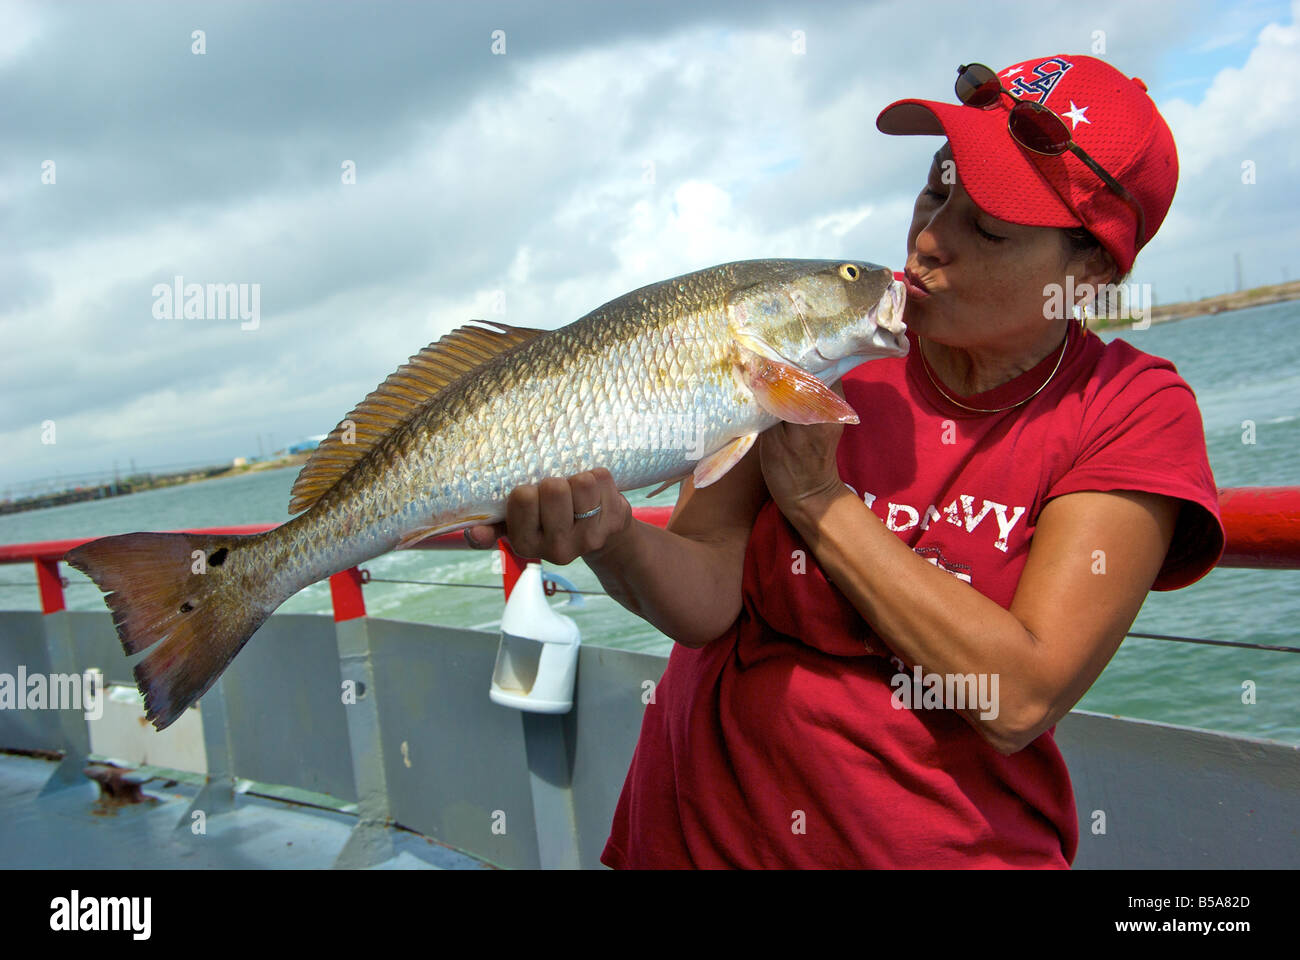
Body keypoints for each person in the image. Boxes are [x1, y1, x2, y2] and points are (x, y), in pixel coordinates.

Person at [464, 54, 1225, 868]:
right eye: (937, 190)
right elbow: (706, 598)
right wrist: (612, 534)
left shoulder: (1131, 411)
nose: (930, 240)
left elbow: (1019, 695)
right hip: (691, 840)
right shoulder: (827, 337)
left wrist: (822, 503)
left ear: (1092, 272)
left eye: (990, 229)